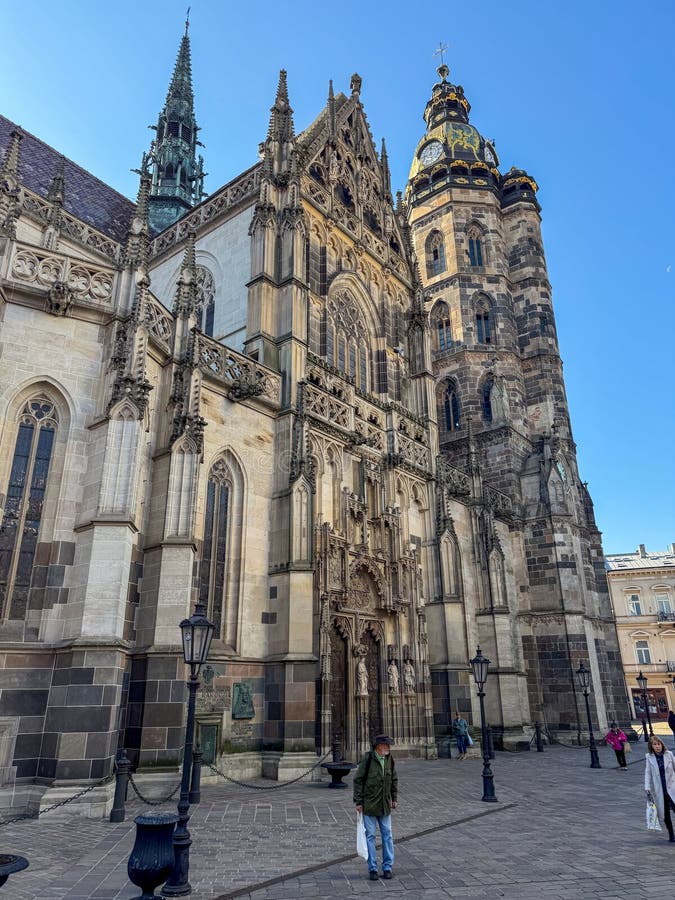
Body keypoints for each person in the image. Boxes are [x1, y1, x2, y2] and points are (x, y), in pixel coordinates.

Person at [353, 735, 398, 881]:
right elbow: (358, 780)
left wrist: (394, 798)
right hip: (370, 804)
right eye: (386, 745)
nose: (388, 748)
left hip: (384, 804)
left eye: (388, 746)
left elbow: (394, 779)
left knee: (387, 835)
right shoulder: (368, 759)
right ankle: (372, 868)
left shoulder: (389, 759)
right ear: (378, 746)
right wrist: (358, 802)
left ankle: (387, 867)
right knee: (370, 836)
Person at [644, 735, 675, 842]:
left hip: (672, 788)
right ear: (651, 746)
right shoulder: (649, 757)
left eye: (659, 744)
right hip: (660, 789)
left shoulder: (669, 754)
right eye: (655, 744)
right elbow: (648, 773)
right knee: (666, 814)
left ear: (662, 744)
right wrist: (647, 786)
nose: (657, 746)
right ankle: (671, 835)